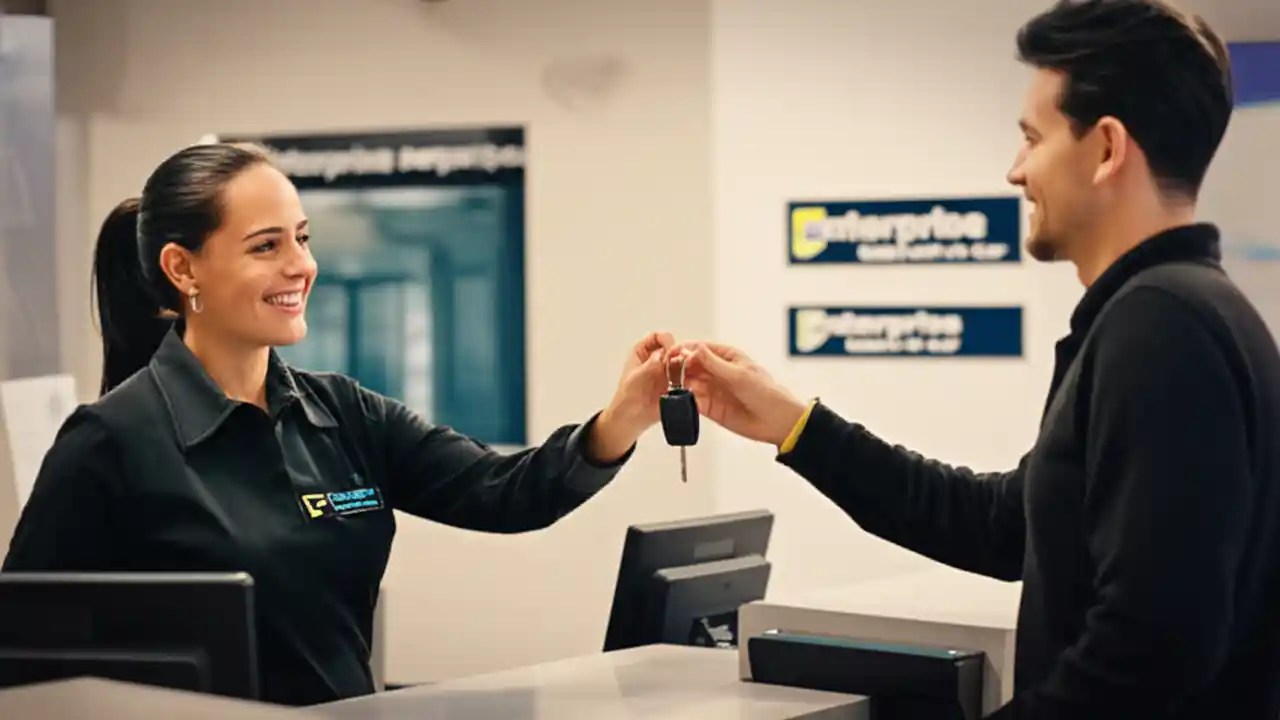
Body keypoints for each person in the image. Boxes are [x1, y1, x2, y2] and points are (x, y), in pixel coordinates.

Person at [672, 1, 1280, 718]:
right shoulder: (1178, 313)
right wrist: (794, 426)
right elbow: (1002, 524)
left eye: (1033, 138)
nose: (1016, 170)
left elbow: (1147, 652)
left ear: (1107, 148)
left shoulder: (1163, 327)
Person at [2, 142, 677, 706]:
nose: (301, 265)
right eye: (266, 246)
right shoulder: (110, 442)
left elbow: (507, 492)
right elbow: (25, 656)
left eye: (301, 238)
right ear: (182, 269)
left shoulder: (344, 414)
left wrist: (623, 418)